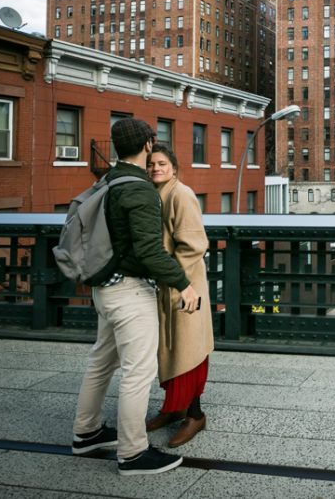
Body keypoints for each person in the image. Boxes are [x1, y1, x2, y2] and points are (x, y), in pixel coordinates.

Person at [72, 118, 201, 476]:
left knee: (101, 362)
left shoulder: (109, 180)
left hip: (105, 288)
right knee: (137, 373)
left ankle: (87, 432)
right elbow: (148, 250)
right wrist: (183, 283)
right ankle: (133, 453)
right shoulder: (140, 188)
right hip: (129, 291)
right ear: (148, 144)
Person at [145, 144, 214, 447]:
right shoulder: (156, 194)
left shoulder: (181, 194)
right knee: (169, 348)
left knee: (188, 350)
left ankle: (195, 415)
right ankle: (173, 408)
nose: (155, 168)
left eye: (161, 163)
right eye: (150, 164)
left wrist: (174, 277)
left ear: (173, 167)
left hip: (185, 286)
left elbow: (194, 244)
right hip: (167, 284)